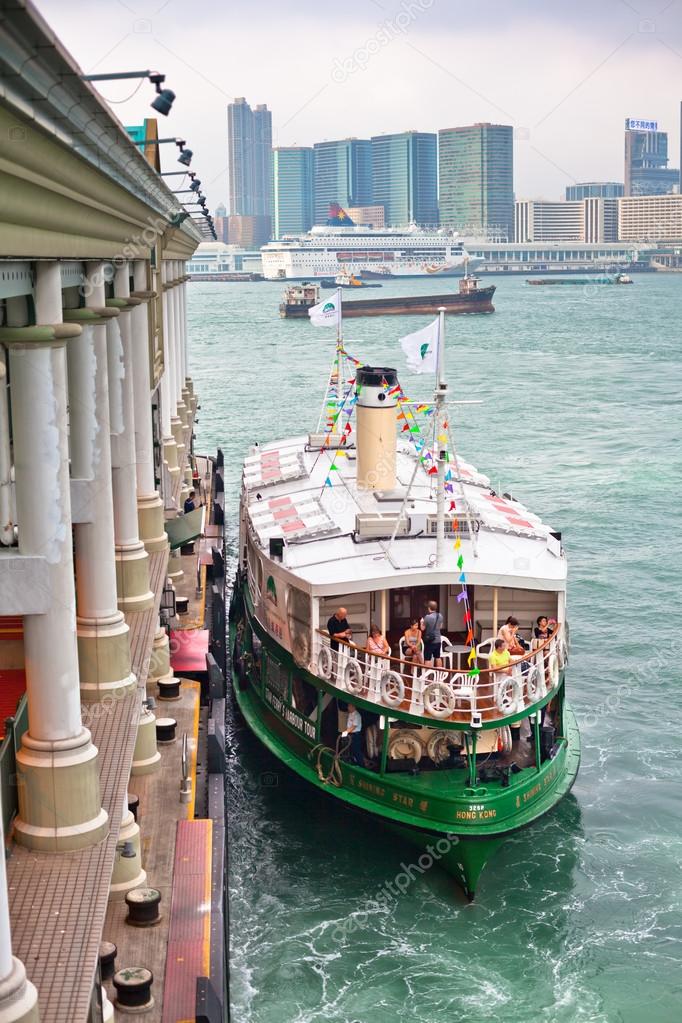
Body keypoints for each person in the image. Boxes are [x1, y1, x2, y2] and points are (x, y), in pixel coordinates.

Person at [421, 600, 444, 667]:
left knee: (427, 658)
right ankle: (440, 672)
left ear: (429, 608)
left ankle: (427, 673)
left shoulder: (427, 617)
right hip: (438, 640)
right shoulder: (440, 615)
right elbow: (440, 627)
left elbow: (422, 628)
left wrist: (421, 622)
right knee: (438, 657)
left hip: (430, 641)